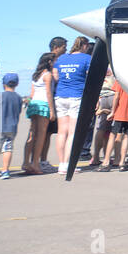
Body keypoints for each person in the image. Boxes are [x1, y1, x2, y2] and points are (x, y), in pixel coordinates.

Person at [52, 36, 92, 173]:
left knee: (61, 132)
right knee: (72, 132)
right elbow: (91, 75)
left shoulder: (62, 58)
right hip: (76, 96)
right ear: (85, 46)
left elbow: (55, 76)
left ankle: (61, 163)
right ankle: (68, 163)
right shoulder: (86, 58)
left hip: (61, 95)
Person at [22, 53, 57, 174]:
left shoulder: (36, 75)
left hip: (34, 104)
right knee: (41, 136)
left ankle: (26, 162)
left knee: (32, 134)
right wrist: (52, 110)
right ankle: (36, 163)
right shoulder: (48, 75)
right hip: (43, 104)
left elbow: (32, 94)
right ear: (49, 62)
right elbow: (48, 93)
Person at [0, 74, 23, 179]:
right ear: (17, 84)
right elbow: (19, 111)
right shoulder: (18, 97)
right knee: (7, 149)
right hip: (12, 127)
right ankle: (5, 170)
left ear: (4, 84)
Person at [38, 36, 66, 165]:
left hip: (47, 101)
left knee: (46, 133)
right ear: (56, 48)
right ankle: (41, 160)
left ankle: (40, 160)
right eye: (63, 47)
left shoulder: (45, 62)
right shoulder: (51, 62)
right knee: (45, 133)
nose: (65, 50)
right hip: (49, 101)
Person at [105, 77, 128, 171]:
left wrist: (112, 112)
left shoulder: (121, 79)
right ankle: (122, 162)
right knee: (126, 137)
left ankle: (106, 162)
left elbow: (116, 96)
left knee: (112, 136)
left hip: (120, 112)